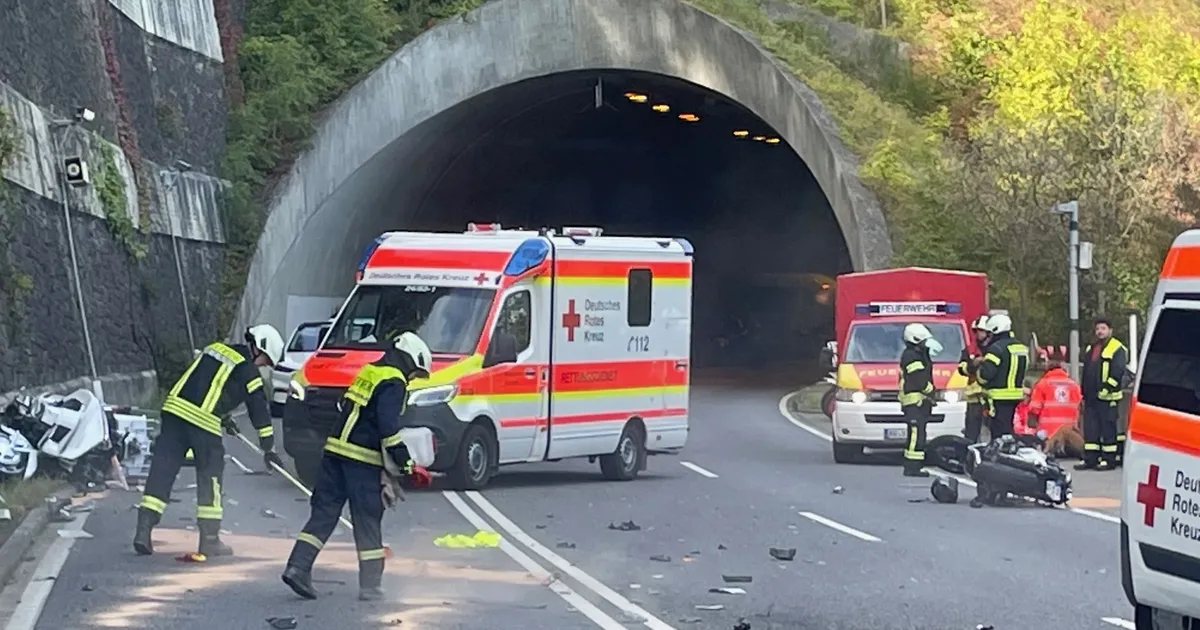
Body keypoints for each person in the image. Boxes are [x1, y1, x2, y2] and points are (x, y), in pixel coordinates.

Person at [281, 331, 435, 601]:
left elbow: (346, 406)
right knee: (367, 519)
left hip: (332, 453)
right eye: (415, 373)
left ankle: (298, 567)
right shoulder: (394, 381)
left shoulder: (369, 372)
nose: (412, 380)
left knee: (324, 513)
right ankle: (371, 585)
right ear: (411, 362)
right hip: (360, 459)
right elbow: (388, 429)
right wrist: (408, 466)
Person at [133, 325, 286, 558]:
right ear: (258, 348)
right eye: (265, 360)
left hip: (174, 411)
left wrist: (223, 416)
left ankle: (143, 530)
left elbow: (204, 384)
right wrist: (269, 449)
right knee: (210, 475)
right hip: (202, 421)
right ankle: (210, 539)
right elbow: (259, 412)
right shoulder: (247, 369)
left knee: (163, 469)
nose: (263, 366)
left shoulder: (215, 349)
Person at [1077, 318, 1129, 470]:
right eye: (1098, 328)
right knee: (1091, 428)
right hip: (1092, 396)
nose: (1100, 331)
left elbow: (1118, 371)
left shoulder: (1117, 348)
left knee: (1108, 428)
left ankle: (1109, 459)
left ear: (1110, 330)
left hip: (1109, 397)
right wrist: (1084, 392)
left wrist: (1107, 387)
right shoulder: (1091, 349)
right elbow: (1086, 371)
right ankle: (1090, 458)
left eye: (1103, 328)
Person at [977, 313, 1029, 438]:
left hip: (998, 398)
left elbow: (985, 375)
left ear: (996, 330)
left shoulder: (996, 349)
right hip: (1016, 397)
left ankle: (1000, 455)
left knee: (998, 433)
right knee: (1010, 431)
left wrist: (978, 369)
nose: (989, 336)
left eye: (990, 333)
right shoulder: (1021, 348)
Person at [899, 323, 935, 478]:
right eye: (922, 341)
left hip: (918, 401)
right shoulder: (911, 356)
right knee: (915, 433)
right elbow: (918, 379)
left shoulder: (917, 354)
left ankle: (914, 465)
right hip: (914, 401)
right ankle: (912, 467)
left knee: (917, 432)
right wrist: (930, 391)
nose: (924, 343)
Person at [1026, 362, 1082, 445]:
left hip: (1047, 435)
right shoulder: (1074, 385)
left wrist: (1033, 430)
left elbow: (1034, 409)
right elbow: (1080, 409)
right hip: (1069, 436)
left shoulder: (1042, 384)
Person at [957, 315, 991, 443]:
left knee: (991, 432)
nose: (978, 334)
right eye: (976, 331)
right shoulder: (970, 349)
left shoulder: (995, 349)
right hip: (973, 400)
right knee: (971, 433)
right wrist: (973, 365)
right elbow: (961, 369)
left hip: (990, 398)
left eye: (981, 331)